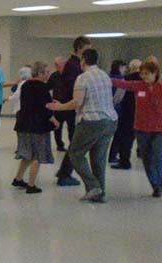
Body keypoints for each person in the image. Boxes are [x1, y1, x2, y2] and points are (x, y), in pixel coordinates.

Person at [47, 49, 118, 203]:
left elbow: (77, 102)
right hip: (110, 121)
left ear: (83, 60)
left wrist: (59, 107)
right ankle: (100, 193)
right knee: (98, 158)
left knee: (75, 153)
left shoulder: (83, 78)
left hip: (91, 121)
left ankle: (93, 186)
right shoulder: (104, 75)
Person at [112, 61, 162, 200]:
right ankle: (156, 186)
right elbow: (122, 84)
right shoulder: (139, 86)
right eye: (142, 74)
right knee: (147, 160)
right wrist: (104, 78)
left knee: (159, 155)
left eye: (147, 74)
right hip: (141, 129)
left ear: (155, 73)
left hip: (160, 130)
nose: (144, 76)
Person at [12, 62, 57, 194]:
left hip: (23, 123)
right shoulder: (43, 87)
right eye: (47, 72)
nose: (49, 74)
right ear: (41, 73)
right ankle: (31, 185)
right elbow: (45, 107)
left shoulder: (25, 85)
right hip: (37, 126)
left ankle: (18, 178)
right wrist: (53, 119)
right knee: (37, 155)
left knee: (27, 154)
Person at [54, 36, 92, 186]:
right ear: (80, 49)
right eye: (88, 48)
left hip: (72, 107)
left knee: (75, 143)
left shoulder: (74, 65)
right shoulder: (74, 66)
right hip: (71, 109)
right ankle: (64, 174)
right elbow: (73, 88)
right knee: (76, 144)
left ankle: (64, 172)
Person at [111, 59, 142, 170]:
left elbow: (119, 96)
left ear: (131, 68)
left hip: (128, 113)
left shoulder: (127, 79)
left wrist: (112, 105)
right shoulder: (145, 80)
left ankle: (124, 161)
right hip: (142, 113)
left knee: (126, 138)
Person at [107, 60, 127, 164]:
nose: (125, 70)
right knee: (118, 135)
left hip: (105, 110)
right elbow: (118, 97)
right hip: (117, 110)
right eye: (124, 68)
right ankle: (113, 156)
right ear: (120, 67)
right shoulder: (121, 80)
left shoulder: (107, 77)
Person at [48, 56, 68, 151]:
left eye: (58, 64)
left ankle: (72, 145)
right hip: (57, 105)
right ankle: (60, 145)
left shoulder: (70, 76)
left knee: (72, 126)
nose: (56, 66)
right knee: (57, 126)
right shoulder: (54, 76)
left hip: (69, 105)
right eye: (55, 64)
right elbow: (47, 88)